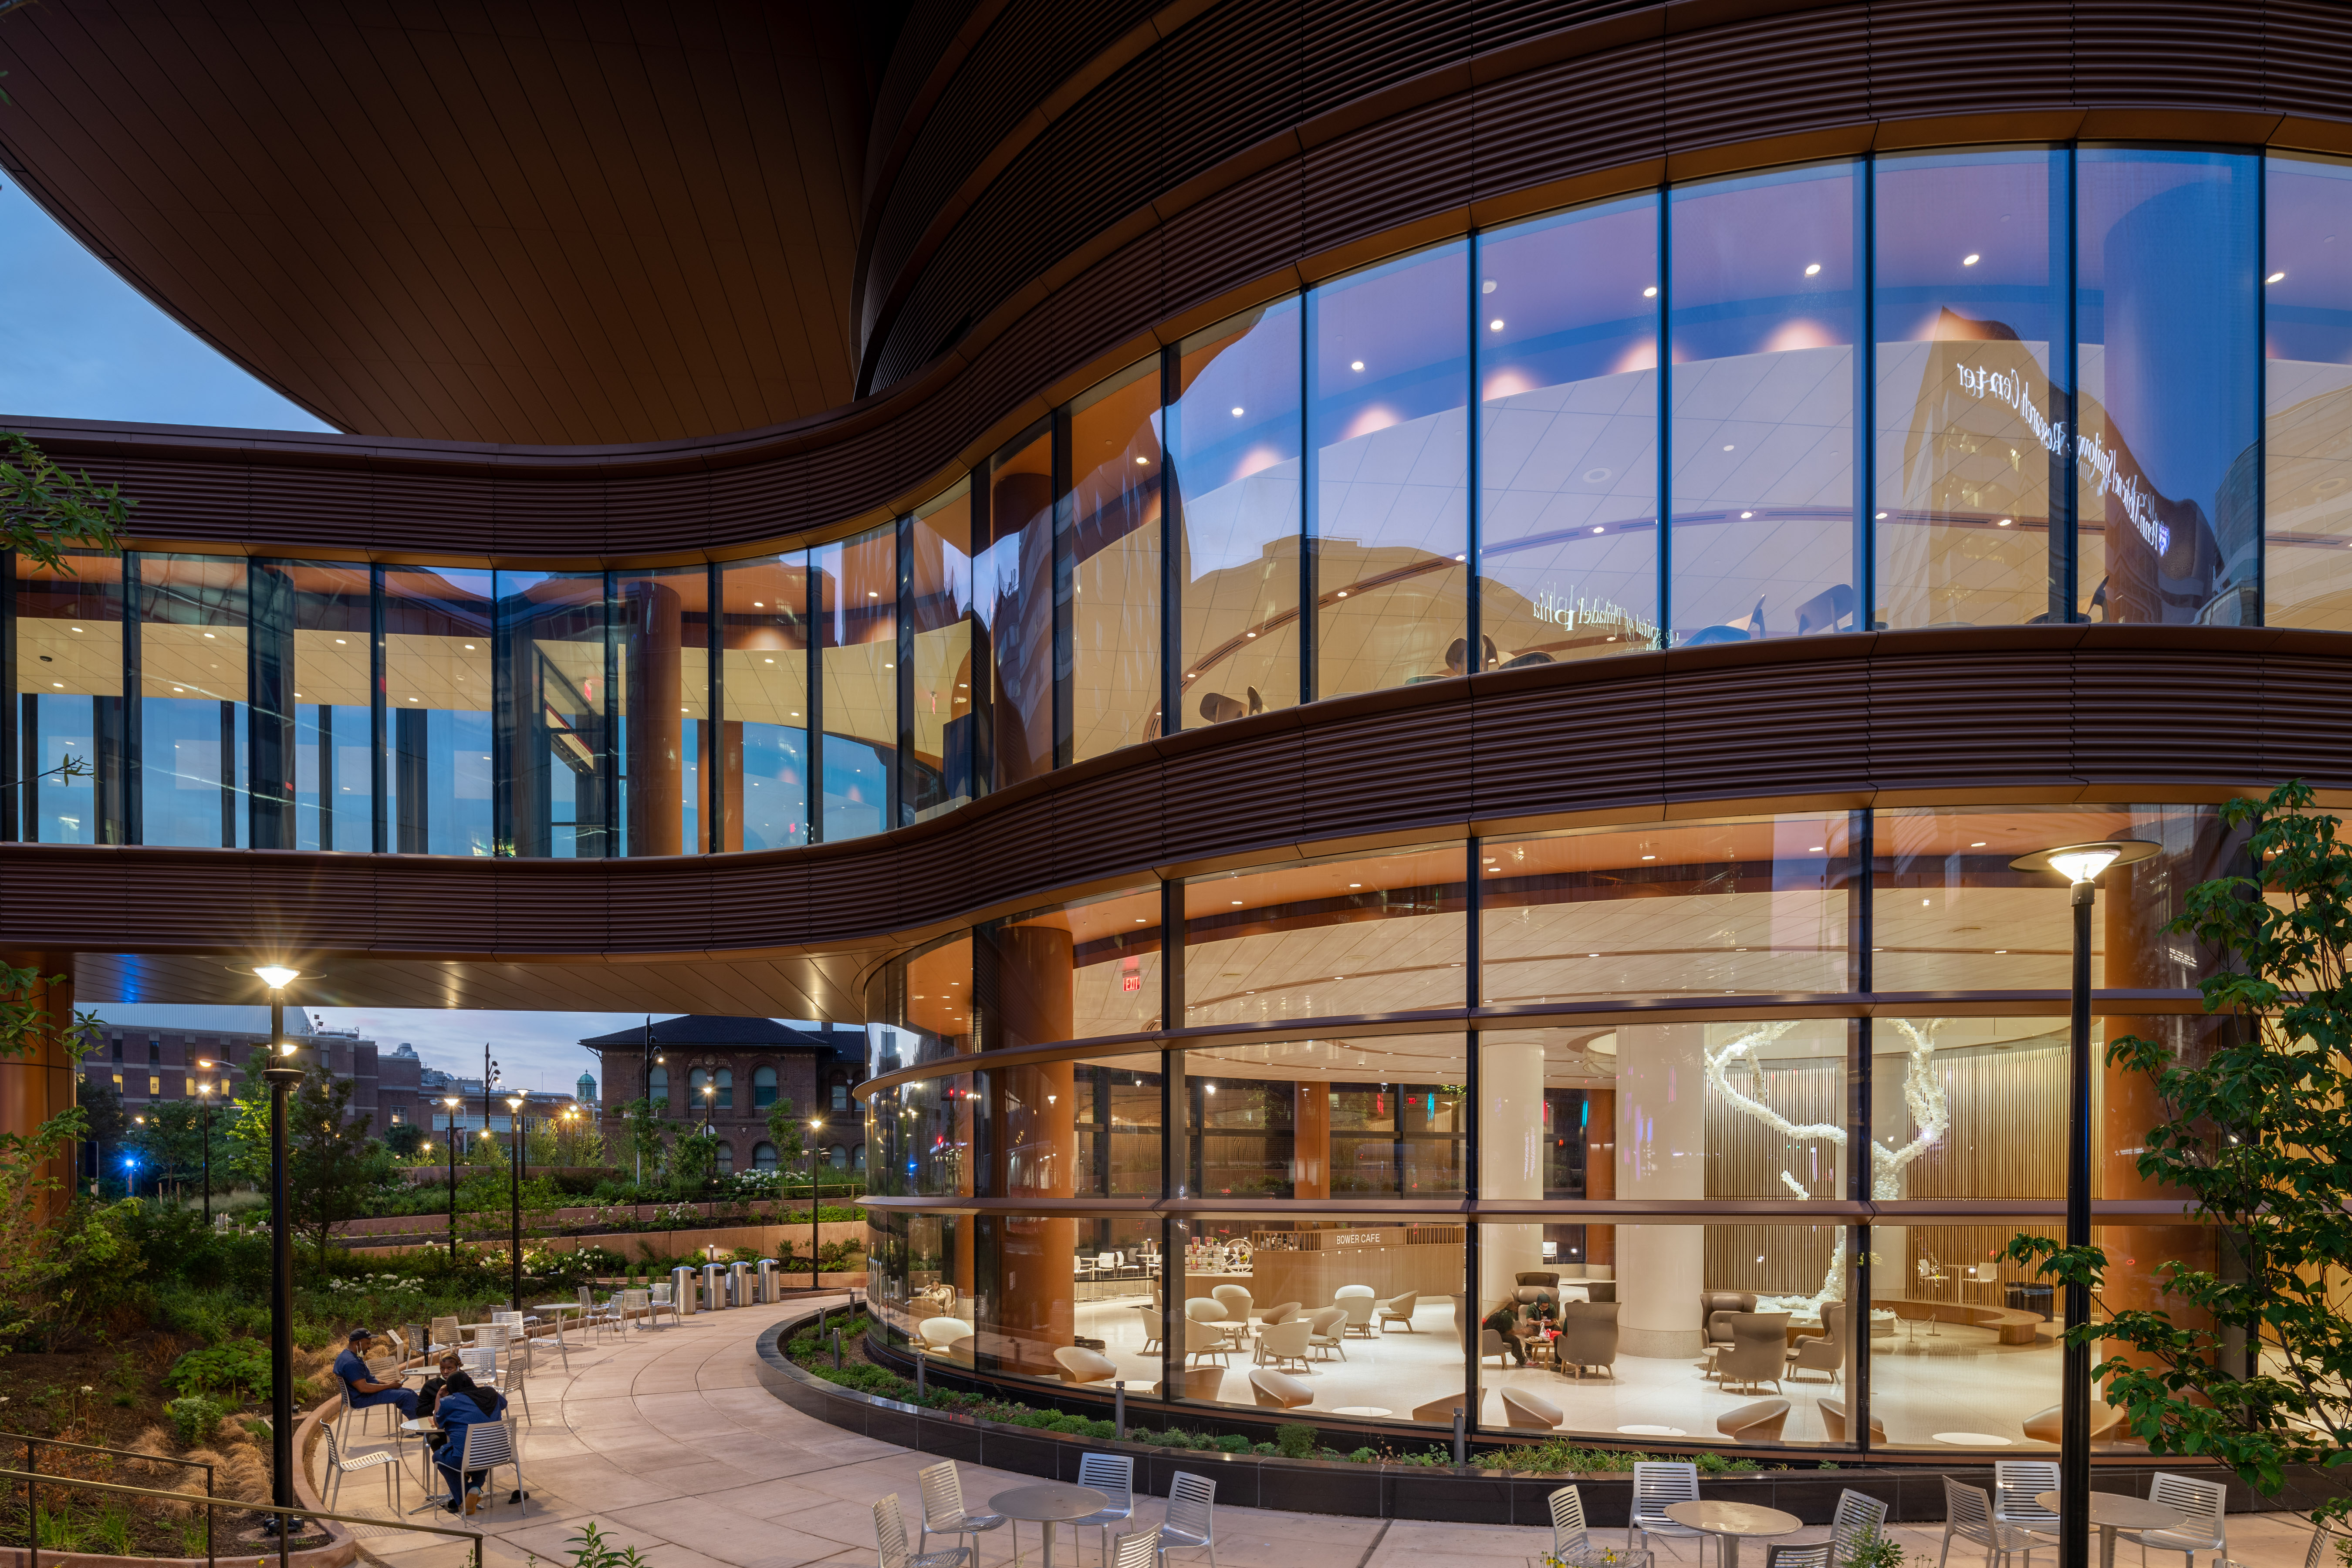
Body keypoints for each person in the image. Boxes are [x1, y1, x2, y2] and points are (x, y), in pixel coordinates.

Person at [430, 1371, 506, 1514]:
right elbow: (503, 1406)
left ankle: (463, 1500)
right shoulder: (491, 1393)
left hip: (468, 1457)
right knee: (482, 1449)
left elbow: (438, 1424)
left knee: (439, 1458)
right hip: (499, 1452)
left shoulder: (449, 1402)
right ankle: (475, 1488)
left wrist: (439, 1397)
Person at [332, 1329, 419, 1420]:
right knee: (406, 1396)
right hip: (361, 1399)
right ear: (358, 1343)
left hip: (363, 1395)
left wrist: (387, 1383)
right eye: (368, 1343)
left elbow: (368, 1380)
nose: (370, 1346)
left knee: (409, 1392)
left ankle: (426, 1420)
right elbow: (363, 1388)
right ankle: (422, 1428)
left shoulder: (345, 1356)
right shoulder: (352, 1363)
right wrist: (389, 1386)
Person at [412, 1352, 464, 1416]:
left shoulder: (465, 1383)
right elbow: (420, 1412)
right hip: (437, 1422)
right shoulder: (430, 1385)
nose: (445, 1372)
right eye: (442, 1369)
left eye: (450, 1368)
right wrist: (439, 1401)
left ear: (458, 1368)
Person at [1482, 1298, 1530, 1366]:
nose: (1517, 1309)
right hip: (1491, 1336)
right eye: (1516, 1307)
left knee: (1513, 1339)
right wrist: (1522, 1331)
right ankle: (1522, 1362)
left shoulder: (1503, 1312)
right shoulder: (1507, 1315)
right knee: (1515, 1340)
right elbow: (1510, 1332)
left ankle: (1522, 1360)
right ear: (1512, 1307)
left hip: (1490, 1335)